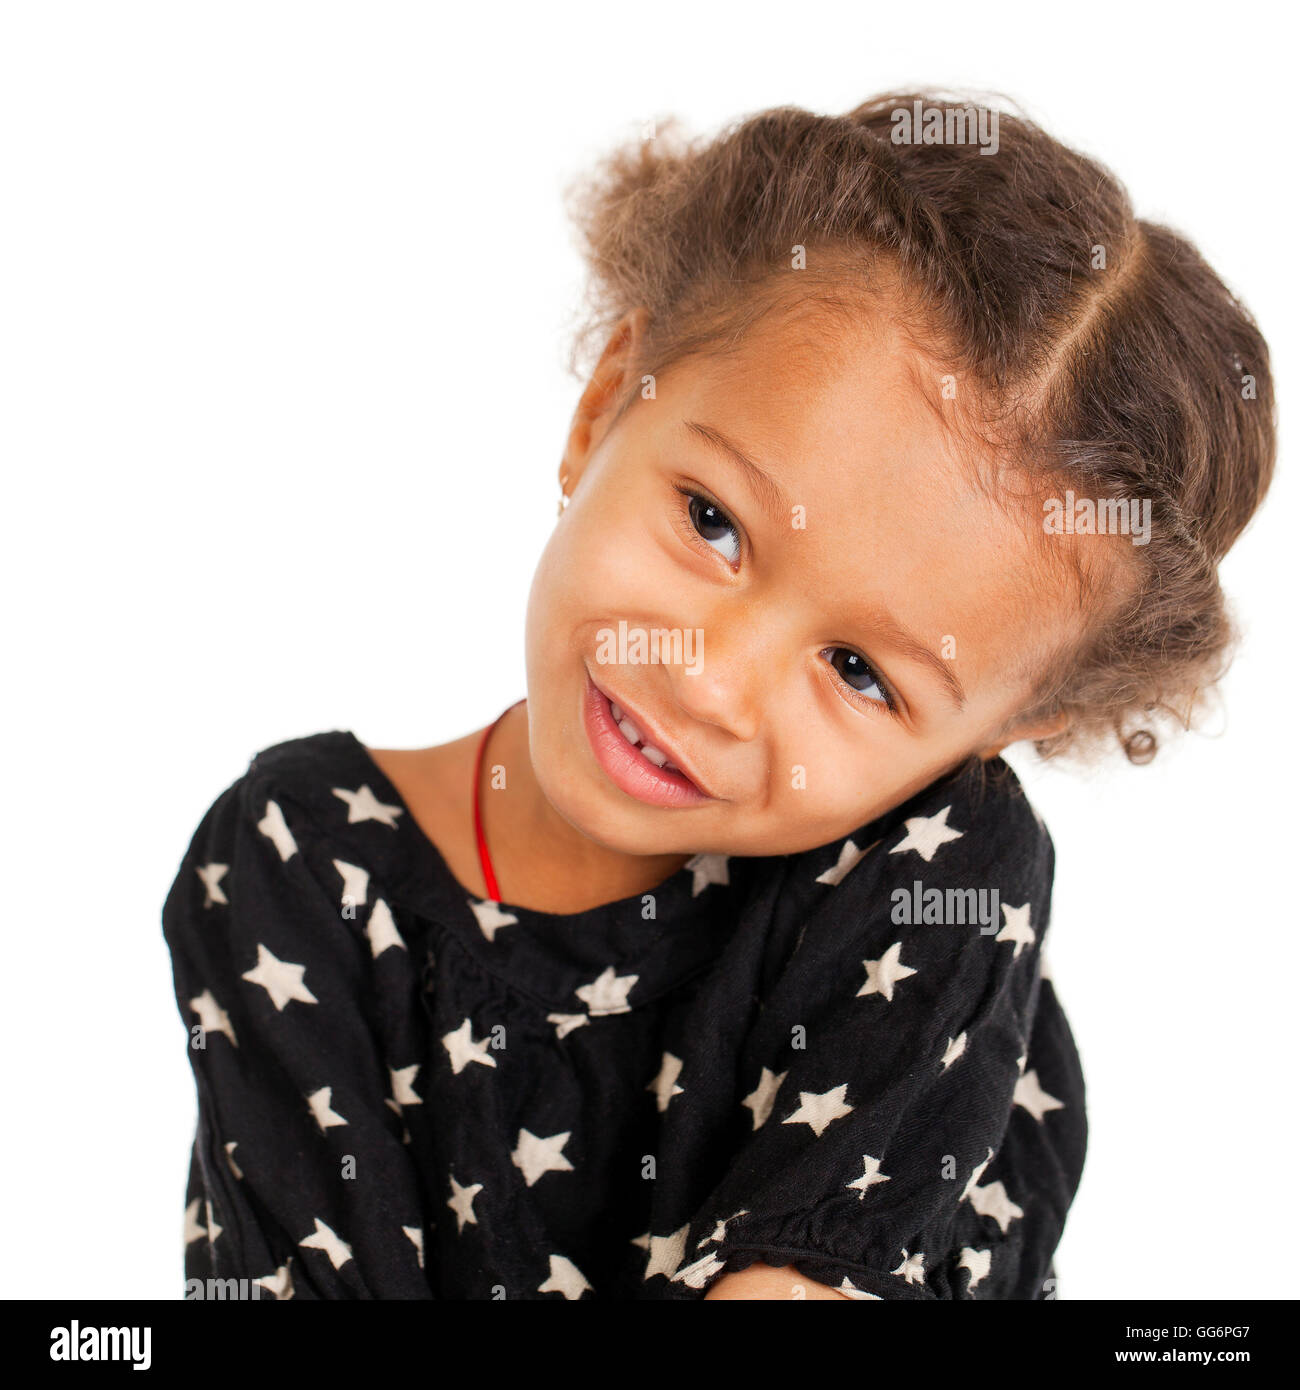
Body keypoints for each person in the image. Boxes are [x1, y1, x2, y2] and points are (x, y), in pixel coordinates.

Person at [163, 90, 1275, 1300]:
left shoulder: (938, 877)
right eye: (712, 523)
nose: (709, 680)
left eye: (860, 672)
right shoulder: (295, 863)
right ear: (607, 403)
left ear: (999, 733)